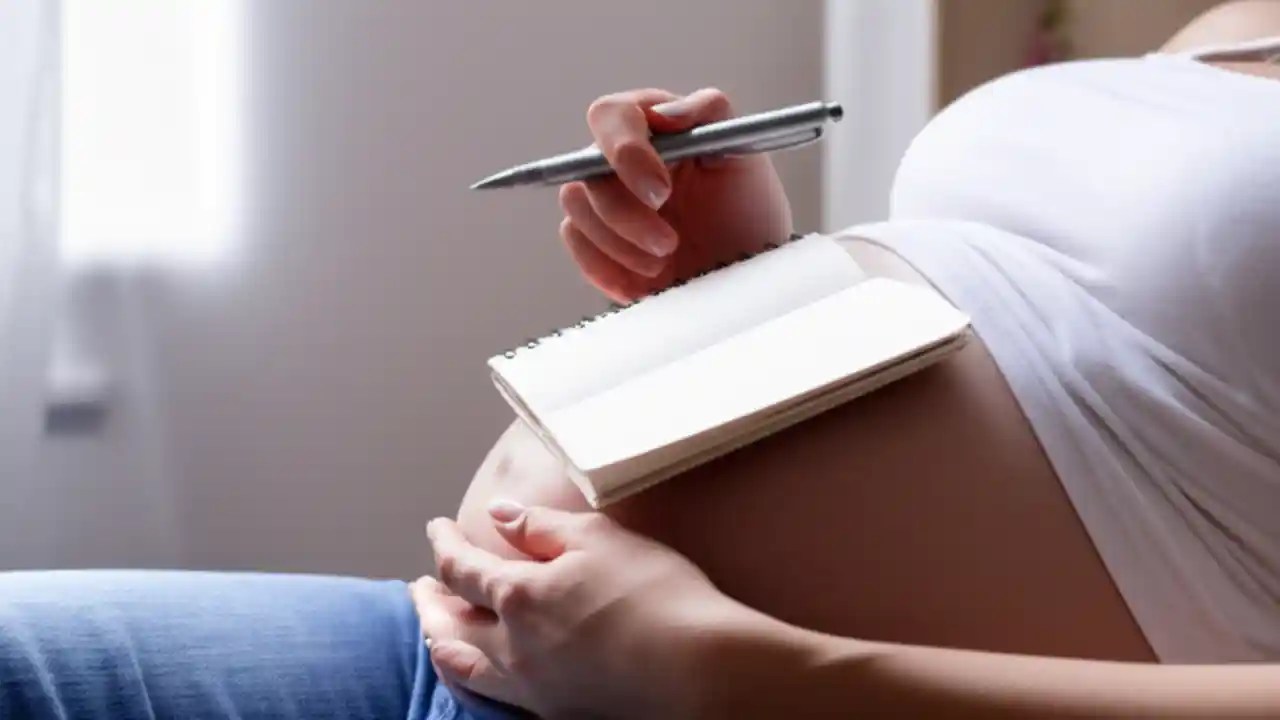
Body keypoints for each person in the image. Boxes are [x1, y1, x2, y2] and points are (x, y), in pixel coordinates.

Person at [1, 2, 1278, 718]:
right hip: (470, 654)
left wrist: (729, 669)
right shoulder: (1221, 28)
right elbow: (1090, 352)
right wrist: (736, 280)